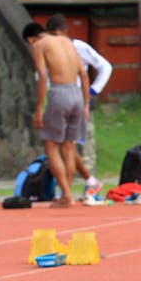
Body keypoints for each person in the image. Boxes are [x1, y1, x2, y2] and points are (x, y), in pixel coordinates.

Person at [23, 22, 106, 196]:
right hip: (76, 94)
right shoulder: (69, 43)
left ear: (31, 38)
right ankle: (66, 194)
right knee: (69, 147)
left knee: (51, 146)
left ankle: (66, 195)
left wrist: (39, 109)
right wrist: (85, 104)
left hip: (58, 92)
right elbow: (83, 75)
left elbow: (43, 76)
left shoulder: (39, 44)